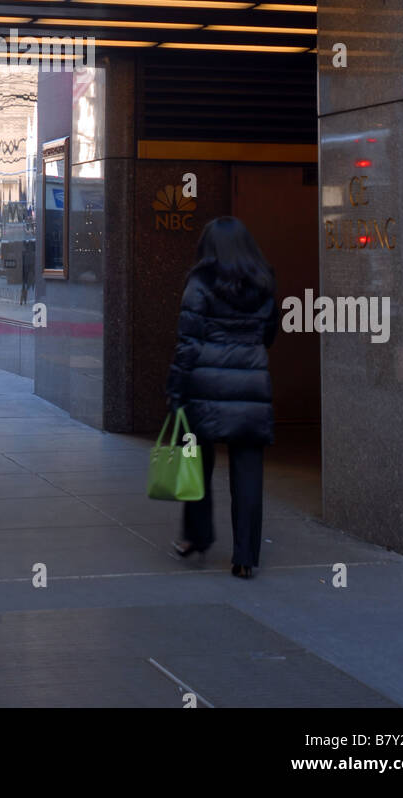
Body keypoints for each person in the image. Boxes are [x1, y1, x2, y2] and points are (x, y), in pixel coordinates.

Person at [166, 216, 278, 580]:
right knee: (248, 473)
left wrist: (175, 388)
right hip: (250, 388)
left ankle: (196, 537)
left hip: (204, 387)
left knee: (194, 462)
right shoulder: (265, 282)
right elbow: (268, 334)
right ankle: (245, 557)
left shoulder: (200, 284)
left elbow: (188, 343)